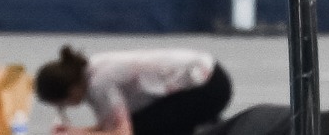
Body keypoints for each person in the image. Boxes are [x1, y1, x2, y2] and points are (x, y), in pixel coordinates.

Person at [34, 46, 232, 135]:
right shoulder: (90, 71)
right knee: (142, 122)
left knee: (144, 129)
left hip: (208, 87)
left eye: (62, 105)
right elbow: (110, 126)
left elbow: (122, 133)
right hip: (206, 77)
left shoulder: (99, 84)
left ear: (71, 91)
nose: (65, 109)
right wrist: (76, 131)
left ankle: (207, 126)